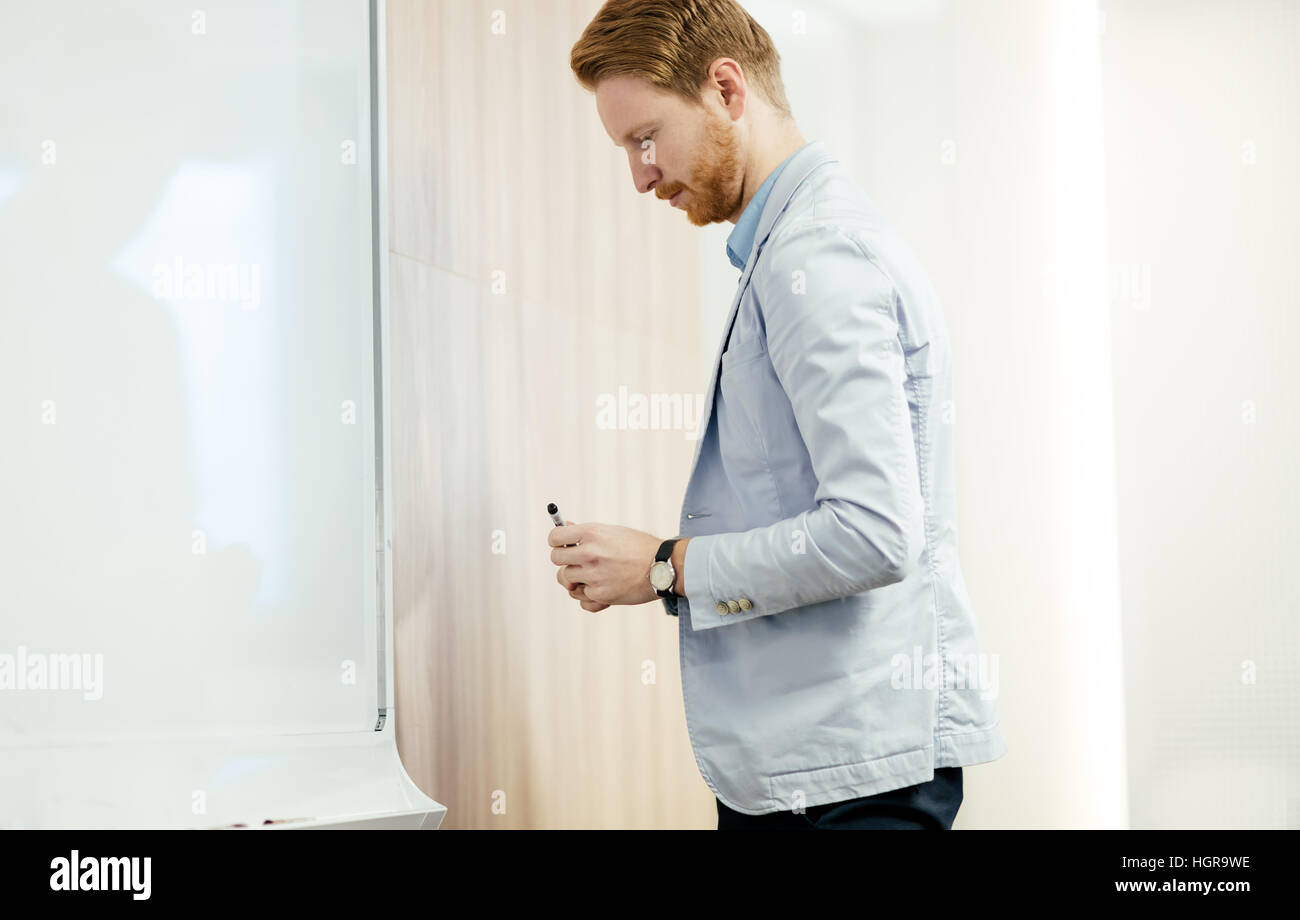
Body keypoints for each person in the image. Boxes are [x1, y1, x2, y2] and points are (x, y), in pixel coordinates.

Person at [549, 0, 1006, 829]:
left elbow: (873, 531)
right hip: (831, 762)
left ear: (726, 89)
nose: (641, 176)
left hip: (848, 783)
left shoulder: (815, 256)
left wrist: (664, 565)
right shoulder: (796, 245)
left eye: (644, 138)